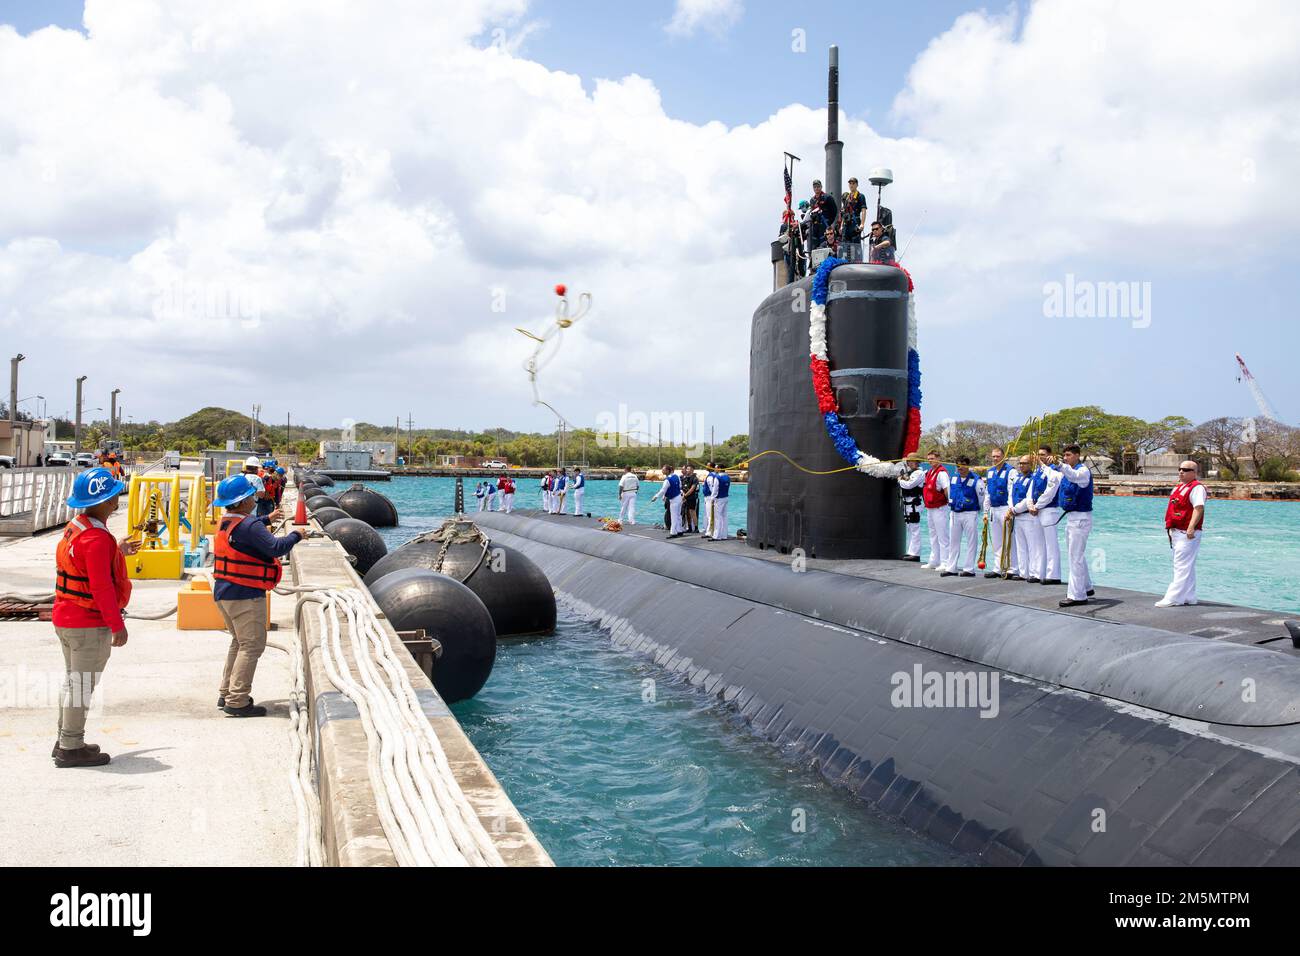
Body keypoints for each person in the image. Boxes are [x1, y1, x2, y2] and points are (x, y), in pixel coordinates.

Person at [51, 467, 141, 767]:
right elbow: (101, 587)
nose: (118, 496)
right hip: (87, 623)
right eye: (114, 493)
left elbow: (85, 565)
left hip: (66, 617)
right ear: (107, 501)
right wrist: (118, 625)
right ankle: (70, 747)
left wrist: (117, 551)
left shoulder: (78, 527)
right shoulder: (97, 539)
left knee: (72, 682)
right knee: (81, 686)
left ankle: (66, 738)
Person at [212, 474, 307, 717]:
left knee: (239, 643)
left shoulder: (226, 522)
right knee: (252, 646)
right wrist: (297, 535)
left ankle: (227, 692)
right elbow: (277, 547)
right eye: (251, 496)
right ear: (244, 501)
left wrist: (266, 518)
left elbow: (246, 532)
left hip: (225, 592)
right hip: (245, 595)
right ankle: (238, 700)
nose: (255, 499)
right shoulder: (250, 526)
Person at [1157, 460, 1206, 607]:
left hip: (1187, 532)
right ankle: (1189, 596)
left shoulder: (1197, 488)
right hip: (1176, 531)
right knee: (1187, 566)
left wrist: (1191, 527)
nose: (1181, 472)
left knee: (1181, 566)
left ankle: (1174, 597)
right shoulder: (1179, 487)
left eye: (1185, 470)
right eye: (1180, 469)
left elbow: (1198, 508)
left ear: (1194, 473)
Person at [1057, 444, 1097, 607]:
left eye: (1068, 455)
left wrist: (1061, 465)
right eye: (1064, 456)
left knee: (1075, 558)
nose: (1065, 458)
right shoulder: (1068, 471)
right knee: (1076, 555)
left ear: (1077, 455)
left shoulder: (1082, 471)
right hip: (1072, 517)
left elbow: (1073, 476)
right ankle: (1087, 587)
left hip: (1080, 518)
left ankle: (1077, 595)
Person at [941, 457, 983, 577]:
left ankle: (969, 569)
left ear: (968, 465)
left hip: (970, 513)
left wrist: (976, 509)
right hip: (955, 513)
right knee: (954, 542)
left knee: (971, 541)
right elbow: (949, 493)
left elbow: (981, 498)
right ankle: (951, 568)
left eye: (963, 465)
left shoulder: (976, 480)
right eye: (958, 465)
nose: (961, 468)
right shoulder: (953, 478)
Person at [1028, 446, 1064, 585]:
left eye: (1043, 454)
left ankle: (1053, 574)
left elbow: (1050, 491)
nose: (1039, 457)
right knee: (1038, 544)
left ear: (1050, 455)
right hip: (1036, 510)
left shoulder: (1054, 471)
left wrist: (1037, 505)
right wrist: (1030, 504)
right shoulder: (1038, 471)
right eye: (1038, 454)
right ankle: (1038, 572)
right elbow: (1032, 489)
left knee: (1051, 544)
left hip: (1049, 509)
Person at [981, 447, 1015, 578]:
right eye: (993, 456)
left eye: (998, 456)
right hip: (994, 510)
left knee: (1008, 540)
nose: (995, 459)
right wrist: (985, 512)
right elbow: (988, 493)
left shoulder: (1010, 471)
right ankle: (997, 567)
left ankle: (1011, 568)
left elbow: (1012, 492)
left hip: (1005, 508)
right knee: (996, 541)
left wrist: (1010, 510)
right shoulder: (990, 472)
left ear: (1003, 457)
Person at [1009, 455, 1043, 583]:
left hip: (1028, 516)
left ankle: (1034, 572)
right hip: (1017, 517)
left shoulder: (1033, 479)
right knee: (1020, 545)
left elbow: (1028, 498)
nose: (1022, 465)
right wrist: (1011, 508)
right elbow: (1011, 495)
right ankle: (1023, 572)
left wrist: (1015, 509)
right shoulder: (1016, 478)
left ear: (1031, 464)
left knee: (1032, 546)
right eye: (1020, 463)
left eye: (1025, 463)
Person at [920, 451, 950, 570]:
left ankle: (945, 562)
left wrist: (950, 503)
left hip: (940, 508)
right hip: (930, 509)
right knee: (933, 535)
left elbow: (947, 489)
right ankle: (934, 560)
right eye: (929, 459)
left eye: (932, 458)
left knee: (942, 536)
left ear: (938, 458)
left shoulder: (942, 473)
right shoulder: (930, 472)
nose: (930, 461)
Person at [897, 457, 924, 560]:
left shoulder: (919, 473)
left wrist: (900, 481)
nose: (910, 463)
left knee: (914, 527)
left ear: (917, 462)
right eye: (909, 461)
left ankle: (915, 553)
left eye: (912, 461)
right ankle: (911, 551)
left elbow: (909, 485)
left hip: (914, 503)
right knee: (910, 527)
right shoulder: (911, 473)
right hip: (908, 502)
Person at [651, 464, 684, 537]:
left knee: (674, 516)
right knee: (678, 515)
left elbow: (663, 490)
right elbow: (680, 486)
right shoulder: (677, 476)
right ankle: (680, 530)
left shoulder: (667, 480)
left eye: (663, 469)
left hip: (674, 499)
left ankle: (673, 532)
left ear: (667, 470)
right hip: (679, 497)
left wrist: (656, 496)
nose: (662, 470)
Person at [839, 176, 867, 254]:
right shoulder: (847, 197)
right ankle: (846, 261)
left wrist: (862, 224)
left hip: (855, 221)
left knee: (855, 243)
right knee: (845, 243)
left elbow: (863, 210)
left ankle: (857, 261)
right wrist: (841, 225)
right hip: (846, 223)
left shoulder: (860, 196)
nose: (851, 185)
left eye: (853, 183)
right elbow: (844, 212)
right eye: (850, 183)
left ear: (857, 185)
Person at [808, 180, 838, 251]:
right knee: (814, 245)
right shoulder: (812, 200)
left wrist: (829, 222)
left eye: (818, 186)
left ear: (821, 187)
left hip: (824, 225)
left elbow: (834, 211)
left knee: (824, 244)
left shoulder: (827, 197)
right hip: (815, 226)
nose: (816, 188)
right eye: (815, 187)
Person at [709, 465, 731, 541]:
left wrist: (712, 498)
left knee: (718, 517)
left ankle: (717, 536)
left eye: (716, 467)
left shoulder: (718, 477)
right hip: (726, 497)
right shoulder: (728, 477)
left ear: (719, 469)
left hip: (719, 499)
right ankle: (724, 535)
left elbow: (715, 490)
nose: (715, 469)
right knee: (724, 517)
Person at [680, 465, 699, 533]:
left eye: (688, 469)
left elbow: (692, 488)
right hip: (685, 498)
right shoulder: (685, 478)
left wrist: (685, 495)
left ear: (692, 470)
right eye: (686, 469)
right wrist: (683, 495)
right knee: (686, 513)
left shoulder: (695, 478)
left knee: (692, 512)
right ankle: (689, 527)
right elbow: (682, 487)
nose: (686, 470)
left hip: (692, 497)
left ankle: (696, 528)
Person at [698, 463, 713, 538]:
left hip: (709, 497)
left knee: (709, 515)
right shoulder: (710, 475)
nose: (706, 466)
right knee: (707, 515)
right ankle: (708, 529)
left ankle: (709, 532)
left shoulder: (710, 476)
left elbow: (711, 488)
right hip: (707, 497)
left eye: (708, 465)